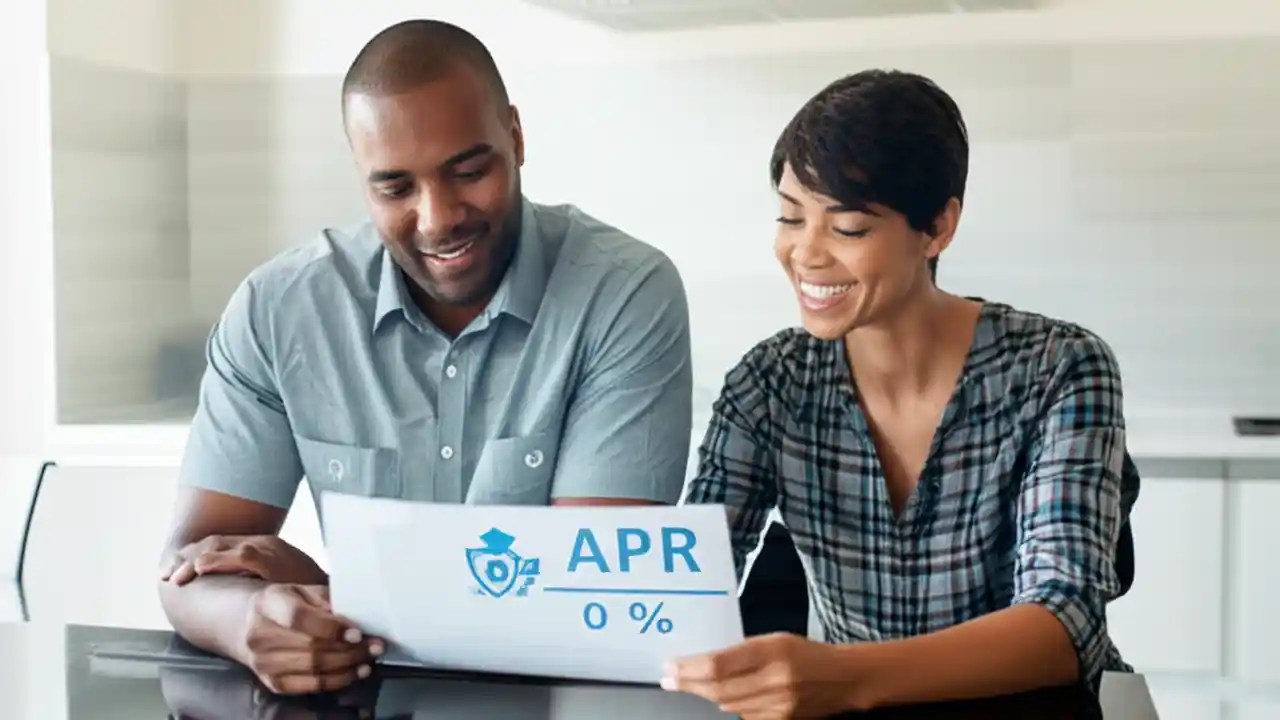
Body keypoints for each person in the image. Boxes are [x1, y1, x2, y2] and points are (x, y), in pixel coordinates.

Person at [156, 19, 692, 696]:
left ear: (517, 139)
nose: (437, 218)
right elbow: (190, 567)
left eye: (468, 172)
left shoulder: (624, 292)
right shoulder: (277, 309)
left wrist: (330, 588)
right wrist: (248, 620)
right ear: (361, 178)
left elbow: (591, 598)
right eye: (395, 188)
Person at [666, 70, 1140, 717]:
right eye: (789, 217)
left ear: (939, 226)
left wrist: (843, 676)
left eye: (849, 228)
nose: (805, 253)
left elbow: (1066, 622)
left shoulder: (1060, 367)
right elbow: (688, 576)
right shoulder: (771, 381)